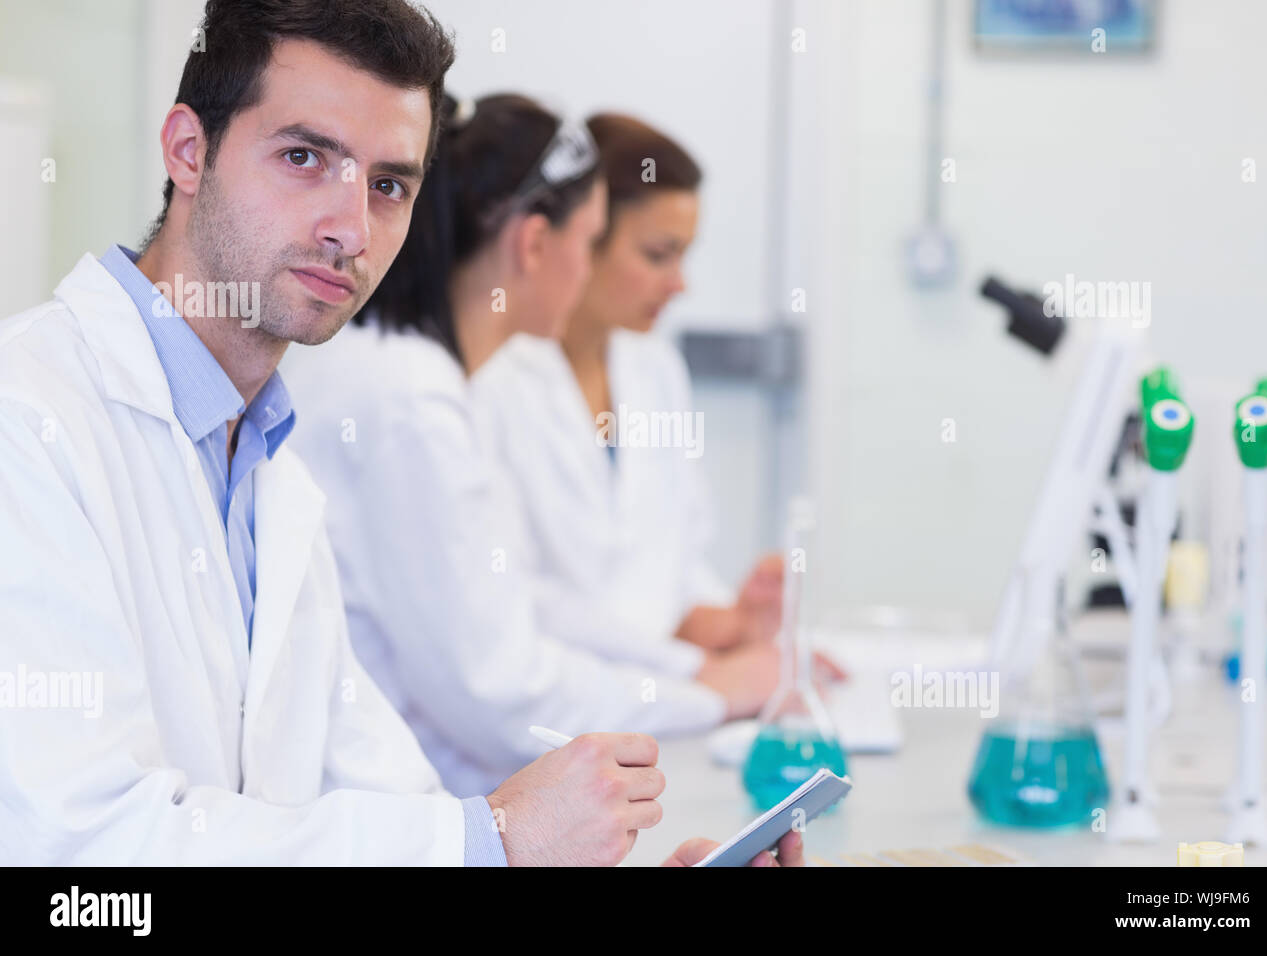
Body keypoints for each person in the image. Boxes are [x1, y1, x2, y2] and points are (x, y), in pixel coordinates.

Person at [0, 0, 793, 868]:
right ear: (188, 151)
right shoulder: (29, 419)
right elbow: (79, 851)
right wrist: (495, 835)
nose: (350, 229)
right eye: (303, 157)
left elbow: (390, 803)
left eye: (388, 186)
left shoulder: (269, 469)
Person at [281, 94, 780, 799]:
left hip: (434, 790)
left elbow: (513, 610)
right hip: (395, 807)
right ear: (535, 244)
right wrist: (708, 694)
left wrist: (697, 673)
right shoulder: (412, 404)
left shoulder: (422, 378)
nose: (586, 273)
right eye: (590, 239)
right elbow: (501, 689)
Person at [473, 114, 791, 663]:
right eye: (657, 255)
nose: (680, 283)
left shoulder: (656, 367)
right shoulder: (493, 376)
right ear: (587, 236)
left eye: (684, 255)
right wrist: (697, 673)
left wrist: (731, 623)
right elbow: (515, 598)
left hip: (655, 701)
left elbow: (673, 569)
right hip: (549, 718)